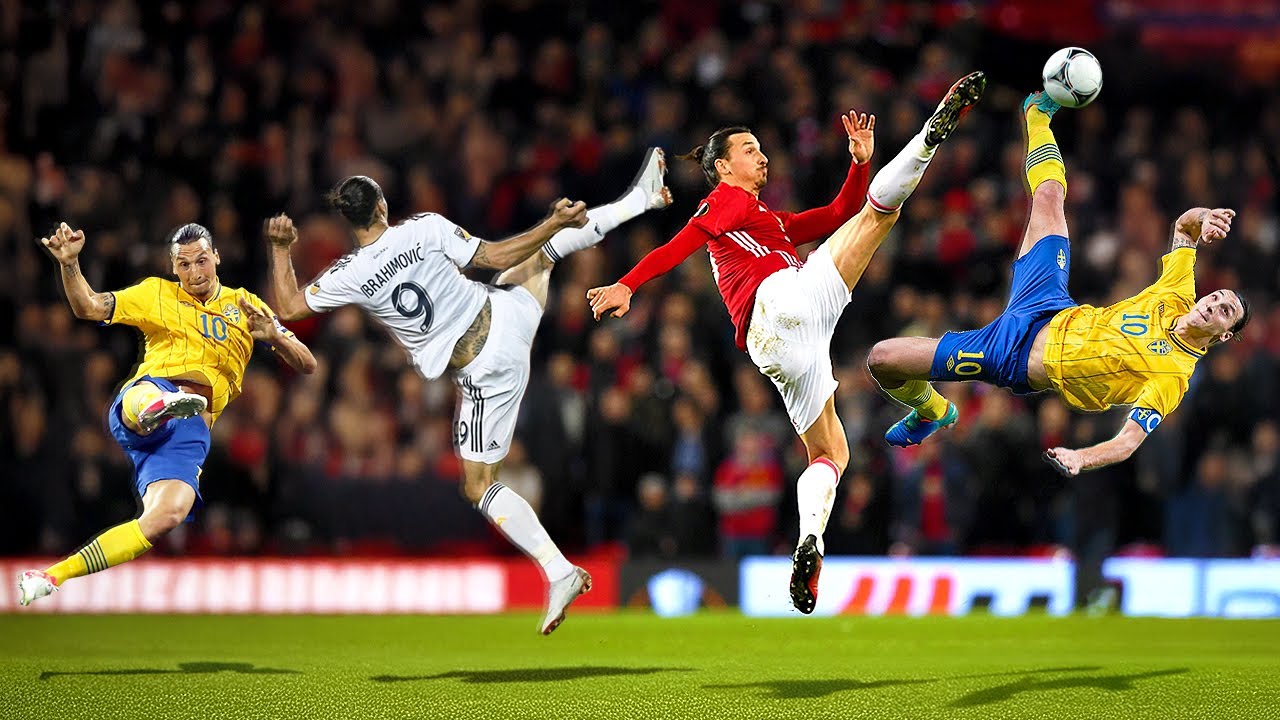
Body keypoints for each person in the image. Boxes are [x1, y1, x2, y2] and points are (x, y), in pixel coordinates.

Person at [588, 72, 987, 613]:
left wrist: (859, 162)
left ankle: (809, 540)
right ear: (723, 166)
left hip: (774, 342)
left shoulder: (764, 220)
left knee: (831, 453)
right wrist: (627, 284)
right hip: (783, 297)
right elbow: (681, 243)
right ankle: (928, 137)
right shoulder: (724, 202)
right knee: (881, 214)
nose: (763, 157)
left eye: (761, 148)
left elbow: (836, 214)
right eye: (749, 150)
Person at [265, 150, 671, 634]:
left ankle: (559, 570)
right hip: (506, 317)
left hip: (486, 370)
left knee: (479, 486)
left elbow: (288, 307)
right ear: (382, 206)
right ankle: (639, 200)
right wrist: (551, 223)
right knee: (541, 251)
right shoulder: (424, 228)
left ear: (349, 222)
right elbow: (495, 257)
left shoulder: (349, 273)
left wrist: (280, 247)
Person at [866, 91, 1251, 479]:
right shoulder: (1178, 293)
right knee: (1049, 196)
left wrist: (1083, 458)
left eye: (1225, 310)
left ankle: (932, 409)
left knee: (882, 359)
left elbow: (1128, 442)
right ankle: (1037, 115)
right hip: (1050, 303)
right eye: (1216, 296)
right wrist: (1205, 215)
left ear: (1223, 335)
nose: (1212, 303)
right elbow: (1185, 226)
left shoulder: (1173, 376)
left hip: (1011, 356)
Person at [19, 222, 316, 606]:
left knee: (167, 516)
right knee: (149, 394)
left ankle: (51, 575)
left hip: (189, 431)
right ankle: (158, 406)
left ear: (216, 257)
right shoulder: (155, 293)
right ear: (173, 267)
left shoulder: (246, 305)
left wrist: (274, 335)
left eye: (202, 261)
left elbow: (307, 363)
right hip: (148, 395)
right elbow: (88, 306)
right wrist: (70, 264)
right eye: (185, 264)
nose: (195, 272)